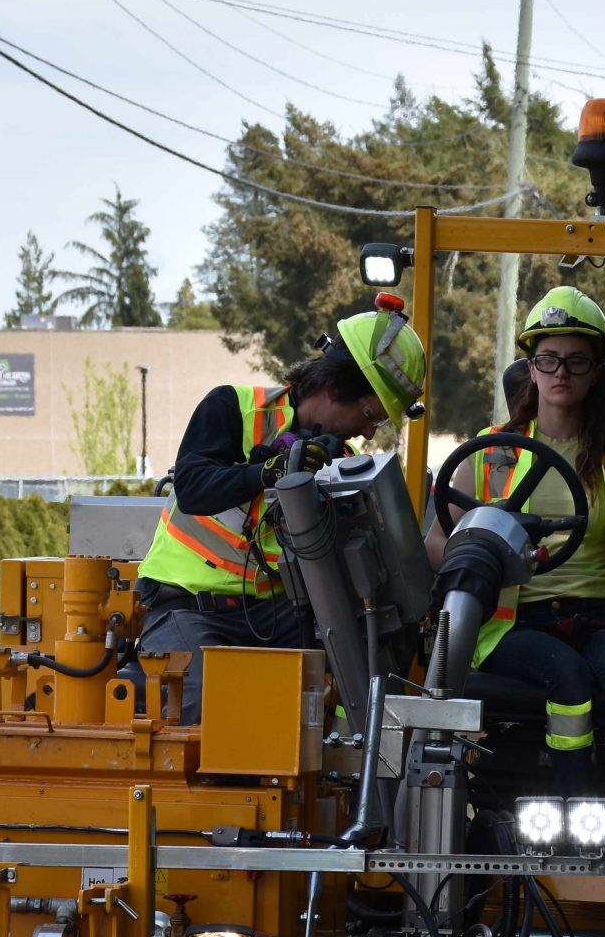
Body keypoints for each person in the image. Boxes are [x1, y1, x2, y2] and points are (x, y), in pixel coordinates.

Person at [436, 286, 605, 873]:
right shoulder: (490, 457)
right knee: (570, 680)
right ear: (531, 367)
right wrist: (472, 556)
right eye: (547, 360)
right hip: (514, 622)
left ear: (596, 371)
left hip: (602, 615)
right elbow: (437, 544)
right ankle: (582, 838)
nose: (560, 373)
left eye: (576, 361)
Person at [134, 298, 427, 702]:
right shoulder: (233, 407)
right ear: (337, 386)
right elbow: (194, 487)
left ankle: (358, 756)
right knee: (203, 712)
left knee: (371, 653)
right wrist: (266, 473)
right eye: (371, 414)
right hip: (189, 609)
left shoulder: (338, 463)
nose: (369, 432)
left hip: (276, 619)